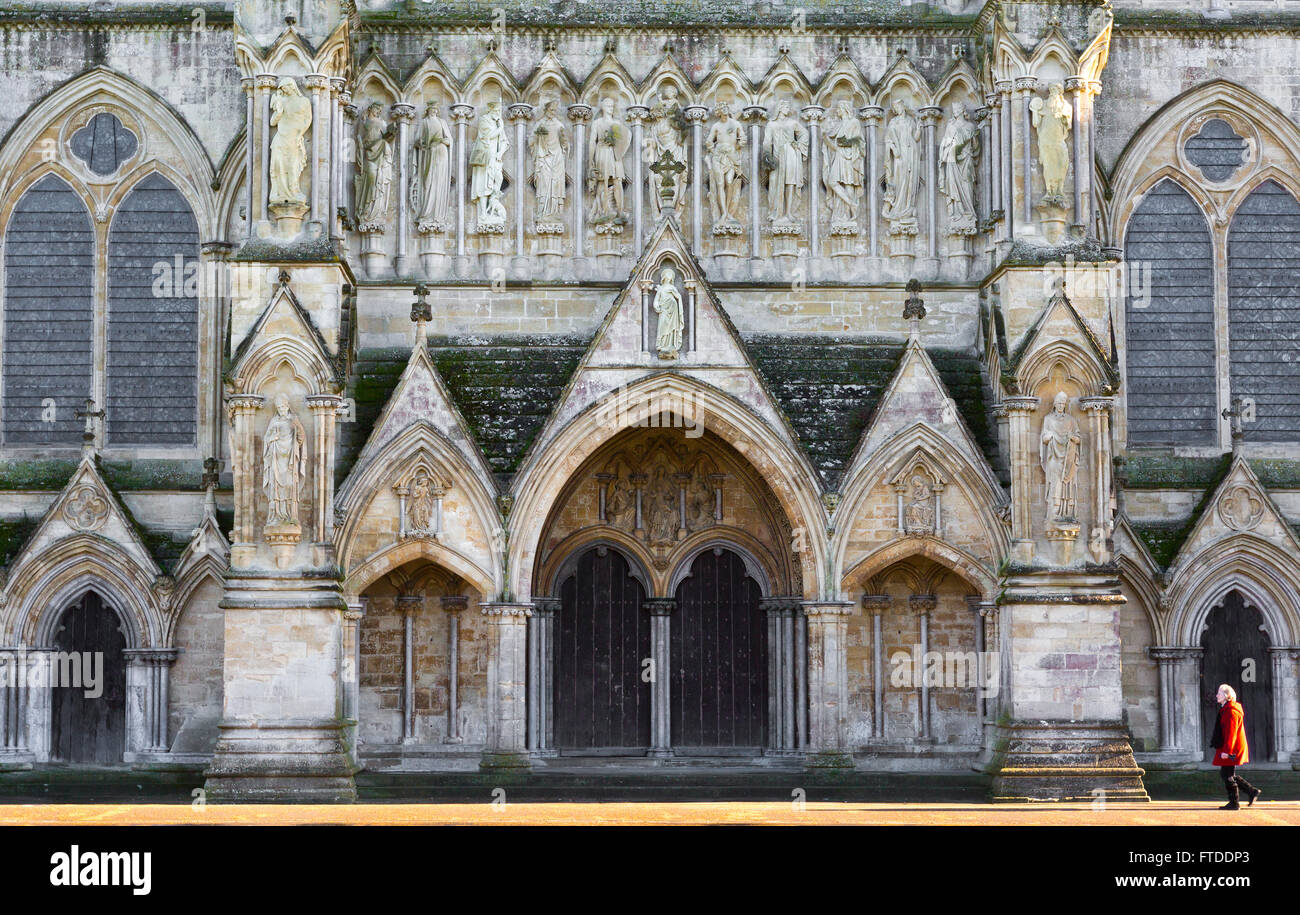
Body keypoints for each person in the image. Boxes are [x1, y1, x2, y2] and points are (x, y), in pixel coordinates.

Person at [1211, 683, 1260, 810]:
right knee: (1227, 773)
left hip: (1232, 748)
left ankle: (1234, 802)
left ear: (1227, 696)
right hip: (1230, 747)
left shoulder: (1231, 711)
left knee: (1227, 774)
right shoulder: (1226, 709)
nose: (1217, 695)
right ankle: (1251, 791)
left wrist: (1227, 751)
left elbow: (1231, 734)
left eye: (1219, 693)